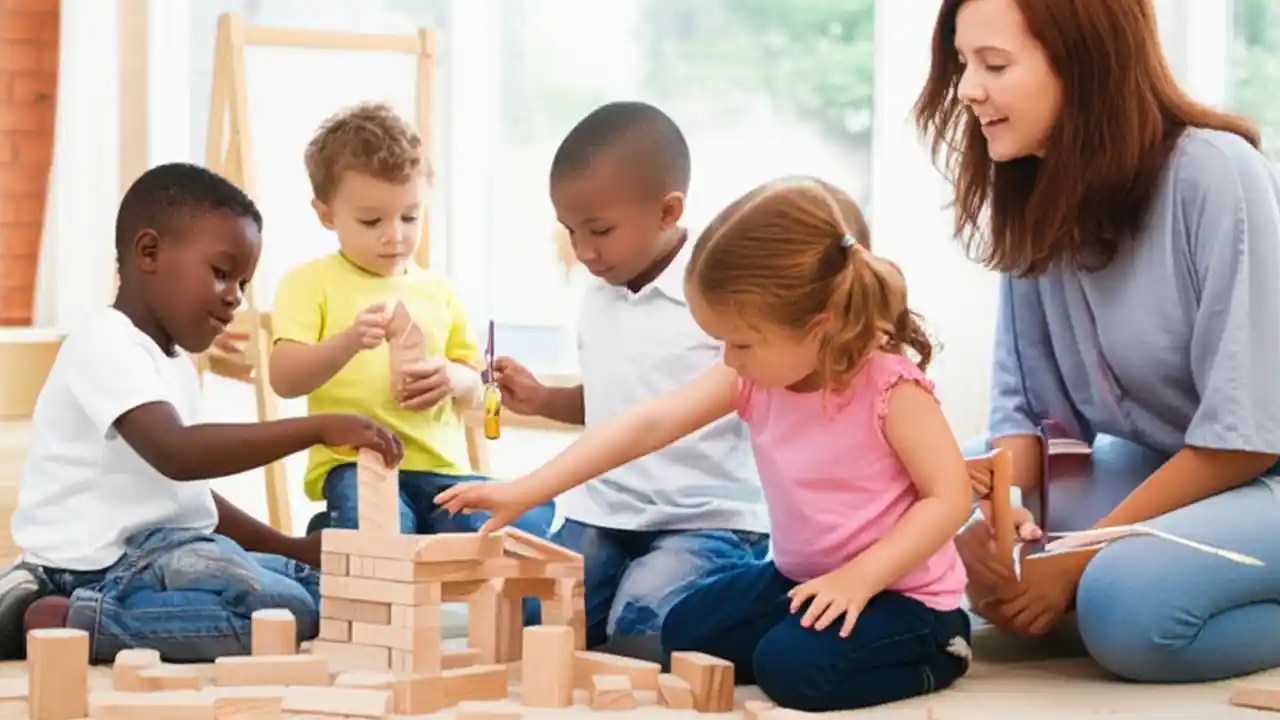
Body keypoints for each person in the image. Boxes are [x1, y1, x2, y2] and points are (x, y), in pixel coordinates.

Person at [438, 176, 974, 712]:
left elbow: (948, 499)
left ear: (820, 326)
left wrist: (860, 578)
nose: (729, 358)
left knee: (793, 671)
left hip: (903, 596)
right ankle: (803, 638)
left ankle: (941, 654)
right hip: (801, 577)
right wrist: (528, 489)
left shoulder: (891, 388)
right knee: (684, 632)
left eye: (741, 342)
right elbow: (647, 424)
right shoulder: (753, 375)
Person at [914, 0, 1280, 682]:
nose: (966, 89)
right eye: (964, 65)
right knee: (931, 487)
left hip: (1260, 474)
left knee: (1126, 611)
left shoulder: (1216, 174)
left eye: (994, 64)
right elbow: (1032, 426)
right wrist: (987, 515)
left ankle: (1109, 591)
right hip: (1164, 466)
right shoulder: (1033, 193)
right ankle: (1104, 579)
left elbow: (1246, 438)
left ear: (1084, 67)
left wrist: (1078, 556)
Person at [0, 162, 404, 662]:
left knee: (323, 589)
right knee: (280, 611)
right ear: (149, 253)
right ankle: (58, 619)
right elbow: (178, 455)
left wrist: (291, 548)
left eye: (243, 283)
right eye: (221, 273)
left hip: (161, 552)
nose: (235, 296)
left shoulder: (172, 364)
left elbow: (188, 499)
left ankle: (110, 613)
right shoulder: (103, 343)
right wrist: (317, 427)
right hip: (99, 566)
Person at [492, 101, 770, 660]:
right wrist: (544, 399)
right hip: (609, 511)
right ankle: (633, 581)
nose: (584, 251)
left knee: (641, 637)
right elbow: (616, 407)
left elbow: (675, 412)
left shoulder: (717, 293)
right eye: (571, 231)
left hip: (703, 518)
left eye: (600, 231)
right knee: (531, 624)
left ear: (668, 212)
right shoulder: (599, 296)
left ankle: (758, 590)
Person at [268, 102, 555, 542]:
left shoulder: (439, 291)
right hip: (361, 465)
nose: (395, 235)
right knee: (379, 542)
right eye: (371, 220)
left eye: (410, 216)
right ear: (326, 214)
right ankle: (344, 539)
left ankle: (336, 536)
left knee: (504, 533)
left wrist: (454, 380)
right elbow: (285, 379)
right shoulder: (310, 283)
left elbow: (482, 389)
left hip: (442, 471)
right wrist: (346, 342)